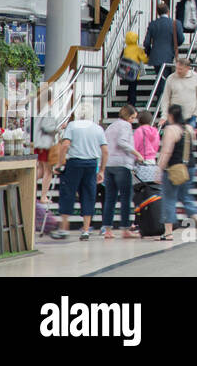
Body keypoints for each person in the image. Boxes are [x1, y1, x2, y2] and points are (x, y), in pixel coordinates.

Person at [51, 104, 108, 240]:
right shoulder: (97, 128)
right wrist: (102, 170)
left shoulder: (72, 126)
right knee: (89, 194)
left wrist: (59, 163)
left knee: (68, 193)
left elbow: (65, 145)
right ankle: (86, 230)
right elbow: (105, 151)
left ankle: (64, 228)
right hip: (91, 163)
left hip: (74, 163)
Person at [157, 104, 197, 240]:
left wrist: (160, 168)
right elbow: (193, 146)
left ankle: (168, 232)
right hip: (190, 167)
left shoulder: (170, 130)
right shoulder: (189, 129)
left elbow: (167, 151)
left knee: (169, 198)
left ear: (171, 116)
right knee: (185, 196)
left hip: (174, 168)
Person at [101, 105, 144, 239]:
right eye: (132, 118)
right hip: (122, 164)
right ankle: (125, 228)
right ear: (127, 116)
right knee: (126, 198)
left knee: (110, 198)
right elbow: (122, 142)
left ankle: (107, 229)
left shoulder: (111, 126)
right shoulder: (125, 126)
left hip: (109, 165)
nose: (133, 121)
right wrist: (137, 154)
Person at [143, 1, 185, 107]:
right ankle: (163, 103)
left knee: (160, 78)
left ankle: (161, 100)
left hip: (156, 56)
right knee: (165, 79)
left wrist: (149, 53)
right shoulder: (176, 23)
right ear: (168, 11)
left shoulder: (153, 24)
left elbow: (146, 43)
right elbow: (181, 39)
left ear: (157, 13)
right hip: (169, 54)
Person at [164, 56, 197, 129]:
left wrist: (195, 113)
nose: (178, 71)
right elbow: (165, 98)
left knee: (188, 139)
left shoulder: (196, 77)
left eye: (180, 69)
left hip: (190, 116)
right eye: (177, 68)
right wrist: (164, 116)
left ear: (188, 68)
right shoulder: (171, 78)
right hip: (174, 116)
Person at [120, 30, 147, 107]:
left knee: (130, 86)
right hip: (135, 71)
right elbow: (143, 59)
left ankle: (129, 100)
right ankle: (132, 102)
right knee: (133, 87)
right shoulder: (138, 49)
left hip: (127, 70)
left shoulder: (125, 49)